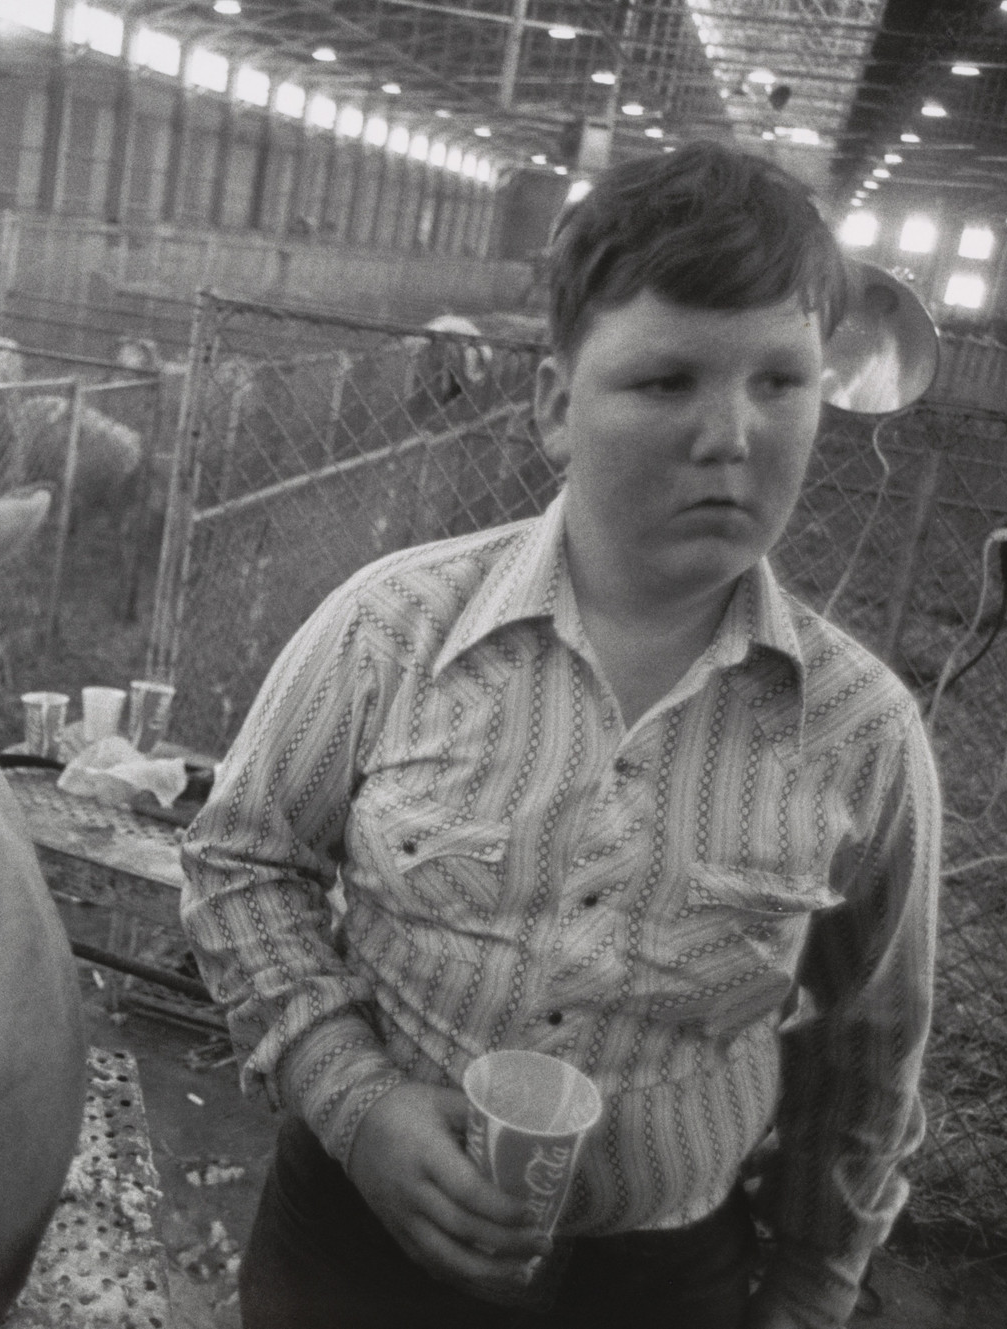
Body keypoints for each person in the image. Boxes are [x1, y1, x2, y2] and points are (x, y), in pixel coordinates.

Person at [182, 140, 939, 1329]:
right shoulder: (393, 628)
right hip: (351, 1240)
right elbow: (242, 862)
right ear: (553, 404)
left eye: (778, 383)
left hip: (662, 1284)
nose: (730, 435)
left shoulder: (859, 734)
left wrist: (805, 1294)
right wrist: (354, 1098)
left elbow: (862, 1057)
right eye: (663, 381)